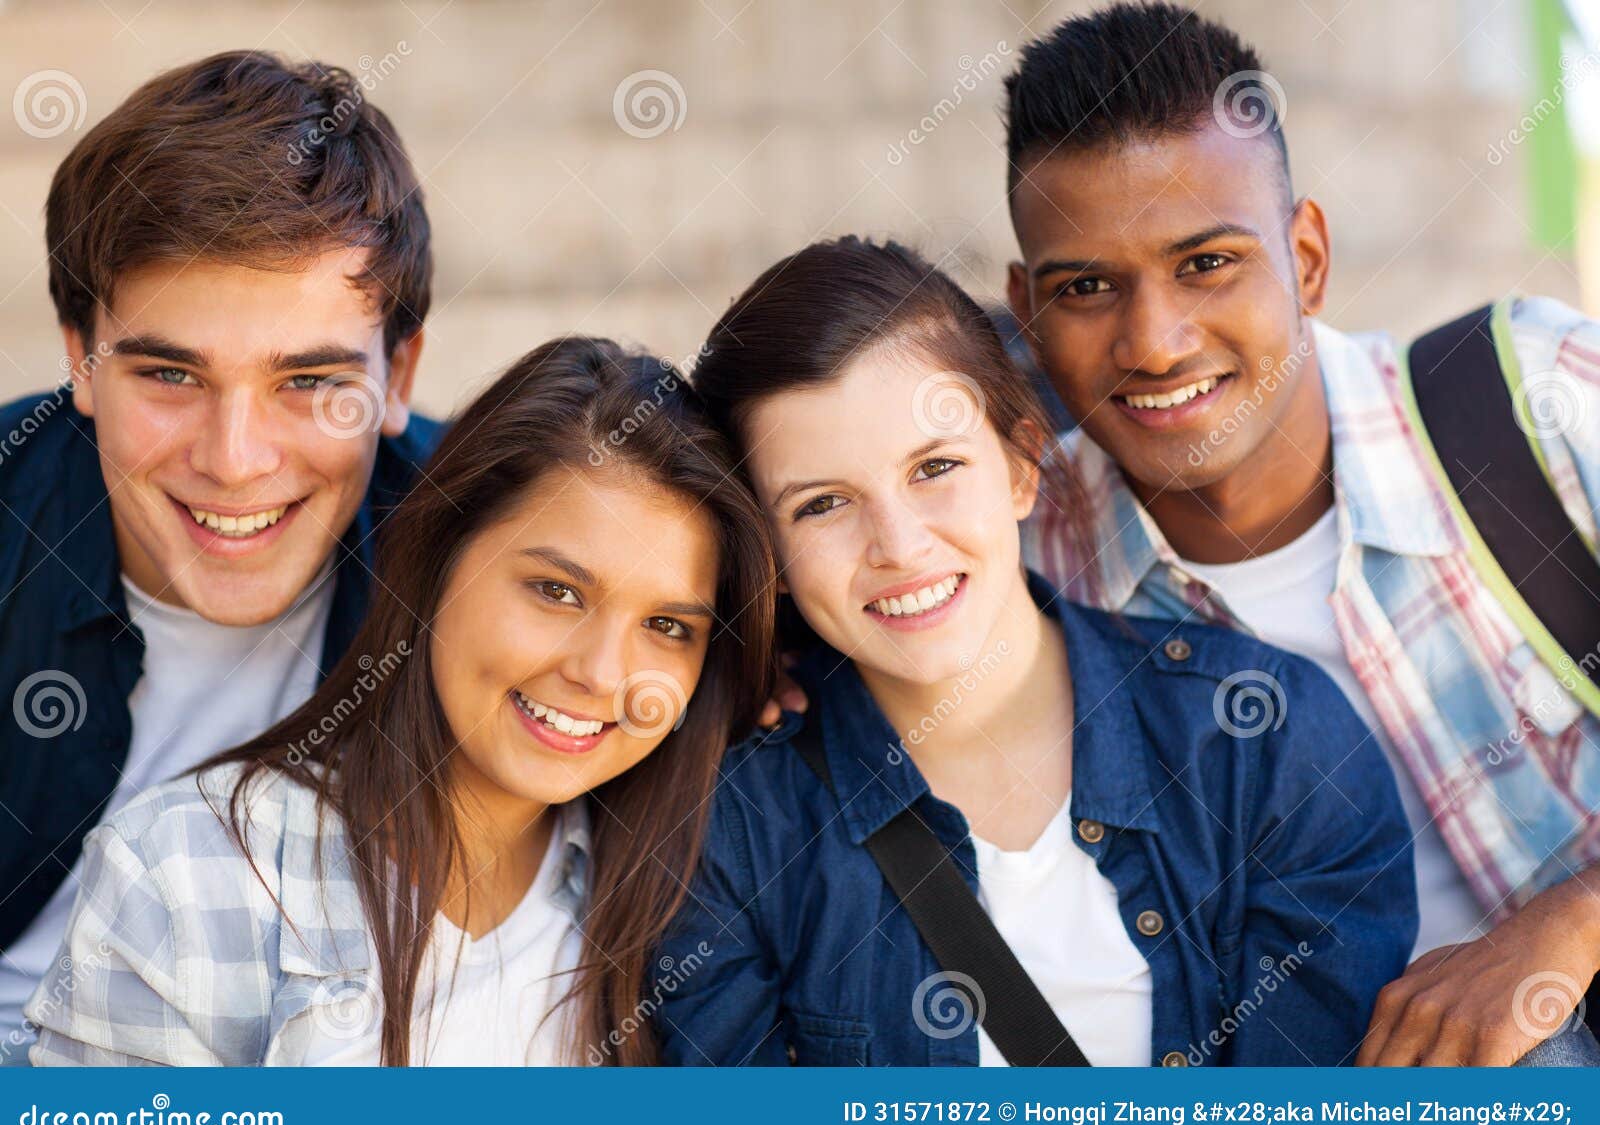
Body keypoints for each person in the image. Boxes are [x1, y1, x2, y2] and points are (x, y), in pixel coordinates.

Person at [1003, 2, 1600, 1065]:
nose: (1153, 342)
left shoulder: (1533, 404)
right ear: (1028, 309)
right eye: (1086, 288)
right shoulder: (1017, 562)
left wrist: (1566, 926)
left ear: (1307, 256)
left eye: (1207, 263)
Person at [654, 236, 1415, 1066]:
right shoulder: (726, 829)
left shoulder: (1270, 742)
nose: (900, 546)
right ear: (764, 551)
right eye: (824, 504)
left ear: (1022, 464)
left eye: (935, 466)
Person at [26, 337, 776, 1066]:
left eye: (667, 626)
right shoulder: (186, 872)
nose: (602, 673)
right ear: (437, 560)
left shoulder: (691, 901)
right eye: (557, 591)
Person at [0, 51, 441, 1061]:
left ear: (398, 372)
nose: (235, 460)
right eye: (170, 373)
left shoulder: (484, 531)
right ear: (79, 356)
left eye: (307, 380)